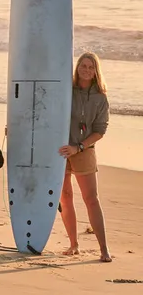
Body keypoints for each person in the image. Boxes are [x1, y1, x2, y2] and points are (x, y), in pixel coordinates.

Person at [58, 51, 113, 262]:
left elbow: (100, 130)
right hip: (62, 150)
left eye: (91, 67)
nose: (87, 70)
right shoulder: (67, 90)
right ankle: (73, 245)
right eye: (83, 66)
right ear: (77, 68)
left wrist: (79, 146)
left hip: (84, 150)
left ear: (96, 71)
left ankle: (103, 249)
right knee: (66, 197)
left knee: (91, 199)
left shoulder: (100, 97)